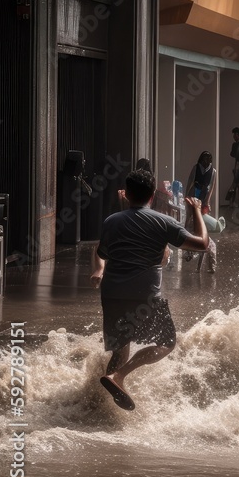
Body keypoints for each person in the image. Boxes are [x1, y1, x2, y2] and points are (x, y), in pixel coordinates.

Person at [90, 169, 210, 410]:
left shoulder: (111, 221)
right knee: (167, 343)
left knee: (120, 348)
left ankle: (104, 410)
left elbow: (101, 252)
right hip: (144, 297)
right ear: (153, 195)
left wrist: (98, 271)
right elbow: (202, 244)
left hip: (112, 295)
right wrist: (196, 209)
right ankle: (119, 376)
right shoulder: (164, 222)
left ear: (128, 193)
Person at [184, 151, 218, 272]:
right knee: (189, 220)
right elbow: (190, 180)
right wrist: (186, 195)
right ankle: (189, 252)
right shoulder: (196, 167)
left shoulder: (213, 171)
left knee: (201, 220)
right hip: (194, 193)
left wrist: (207, 201)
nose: (206, 161)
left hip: (204, 196)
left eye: (208, 159)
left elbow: (211, 187)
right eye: (204, 158)